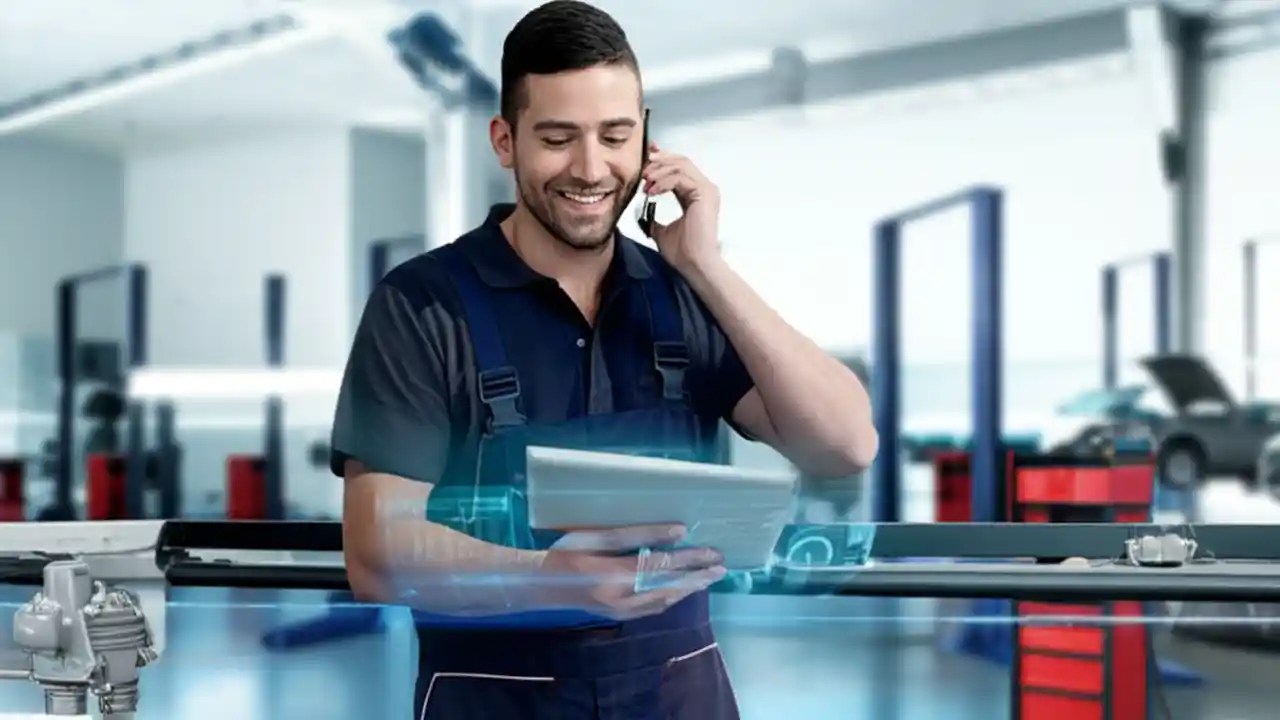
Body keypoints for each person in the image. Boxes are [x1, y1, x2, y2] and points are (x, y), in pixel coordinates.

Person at [331, 2, 877, 718]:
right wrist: (552, 580)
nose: (591, 169)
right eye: (557, 138)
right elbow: (377, 550)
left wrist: (705, 264)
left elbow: (844, 444)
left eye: (615, 136)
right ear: (505, 140)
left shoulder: (683, 294)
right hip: (494, 697)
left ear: (646, 138)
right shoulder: (422, 307)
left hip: (678, 691)